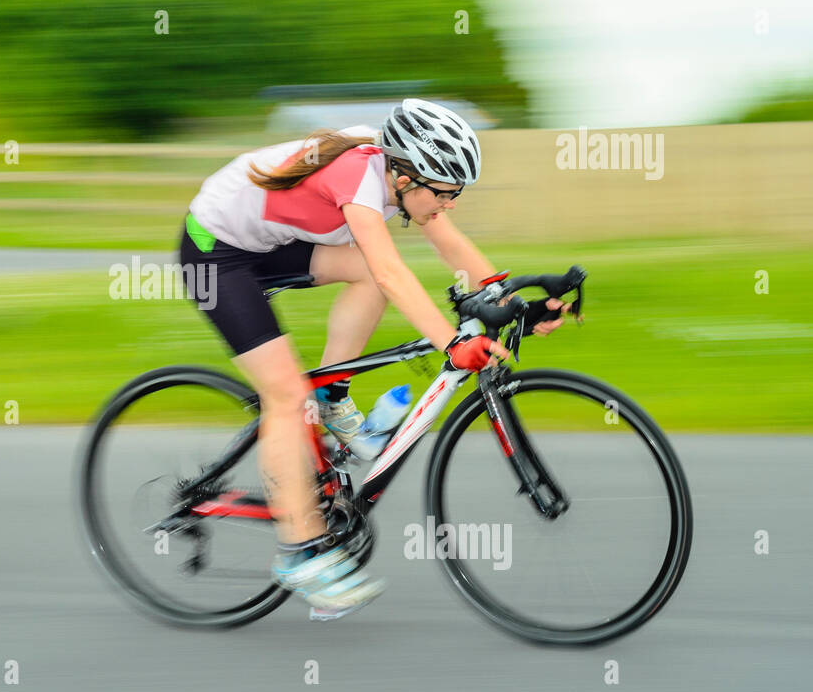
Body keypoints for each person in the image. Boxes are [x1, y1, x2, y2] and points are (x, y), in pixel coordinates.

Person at [179, 98, 572, 619]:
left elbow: (449, 244)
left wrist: (511, 302)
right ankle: (299, 553)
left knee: (358, 287)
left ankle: (332, 397)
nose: (450, 204)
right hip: (215, 252)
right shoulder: (360, 178)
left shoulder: (399, 175)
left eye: (458, 194)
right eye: (446, 193)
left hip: (269, 243)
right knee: (287, 396)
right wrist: (450, 343)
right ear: (408, 177)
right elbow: (392, 271)